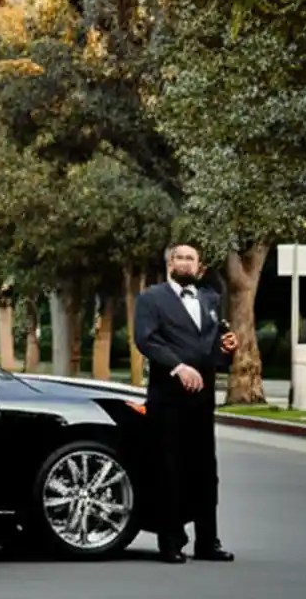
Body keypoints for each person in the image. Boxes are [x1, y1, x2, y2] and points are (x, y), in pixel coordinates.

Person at [134, 242, 238, 564]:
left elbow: (212, 347)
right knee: (169, 469)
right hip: (167, 399)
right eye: (178, 257)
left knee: (206, 470)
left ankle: (207, 542)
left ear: (199, 266)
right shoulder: (151, 299)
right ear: (169, 264)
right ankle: (171, 542)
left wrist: (227, 350)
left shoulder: (211, 299)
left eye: (189, 258)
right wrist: (177, 367)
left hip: (202, 401)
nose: (183, 262)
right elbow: (146, 338)